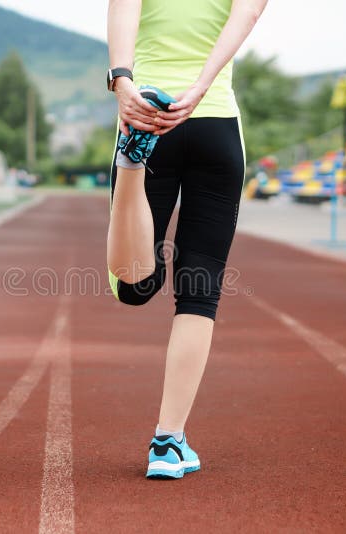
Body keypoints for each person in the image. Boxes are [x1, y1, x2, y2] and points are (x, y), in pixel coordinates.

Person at [106, 0, 268, 479]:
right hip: (214, 120)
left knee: (133, 287)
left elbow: (122, 7)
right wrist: (201, 87)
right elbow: (250, 14)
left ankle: (131, 163)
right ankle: (168, 442)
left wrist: (123, 82)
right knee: (200, 290)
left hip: (146, 112)